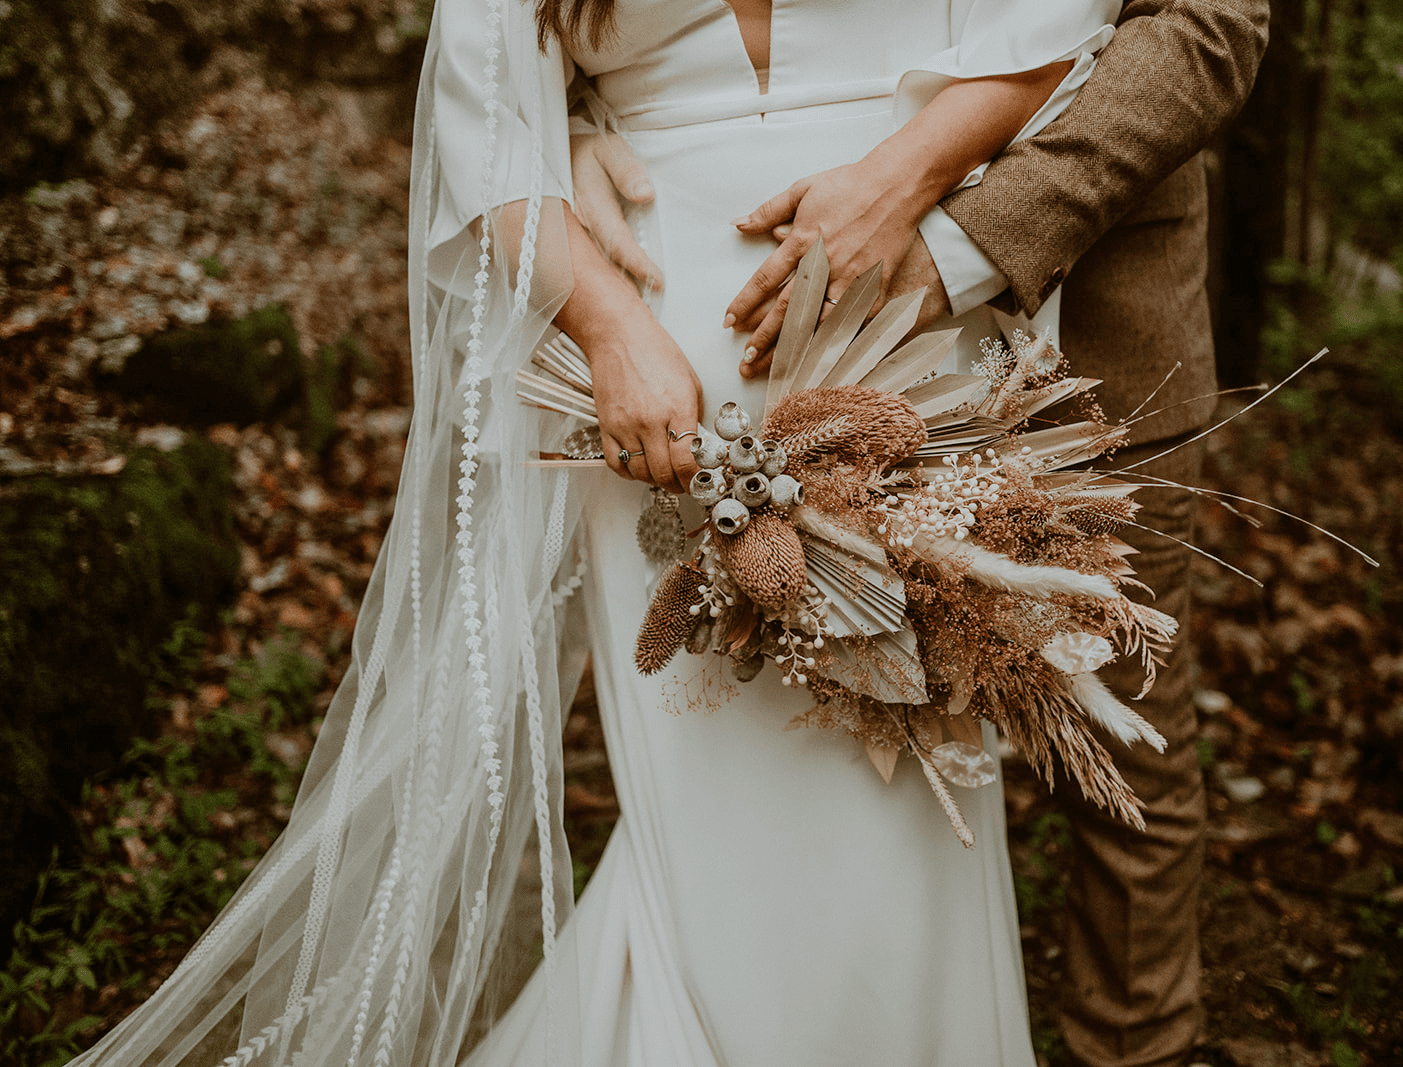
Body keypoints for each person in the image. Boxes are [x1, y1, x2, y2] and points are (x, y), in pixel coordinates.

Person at [67, 2, 1152, 1066]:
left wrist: (898, 181)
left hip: (906, 320)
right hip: (657, 365)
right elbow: (486, 120)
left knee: (911, 781)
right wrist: (608, 327)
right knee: (713, 796)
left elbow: (1051, 26)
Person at [578, 2, 1271, 1064]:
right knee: (831, 717)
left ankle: (1135, 1041)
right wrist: (578, 130)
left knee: (1123, 716)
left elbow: (1206, 25)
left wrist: (957, 244)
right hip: (820, 335)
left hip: (1098, 310)